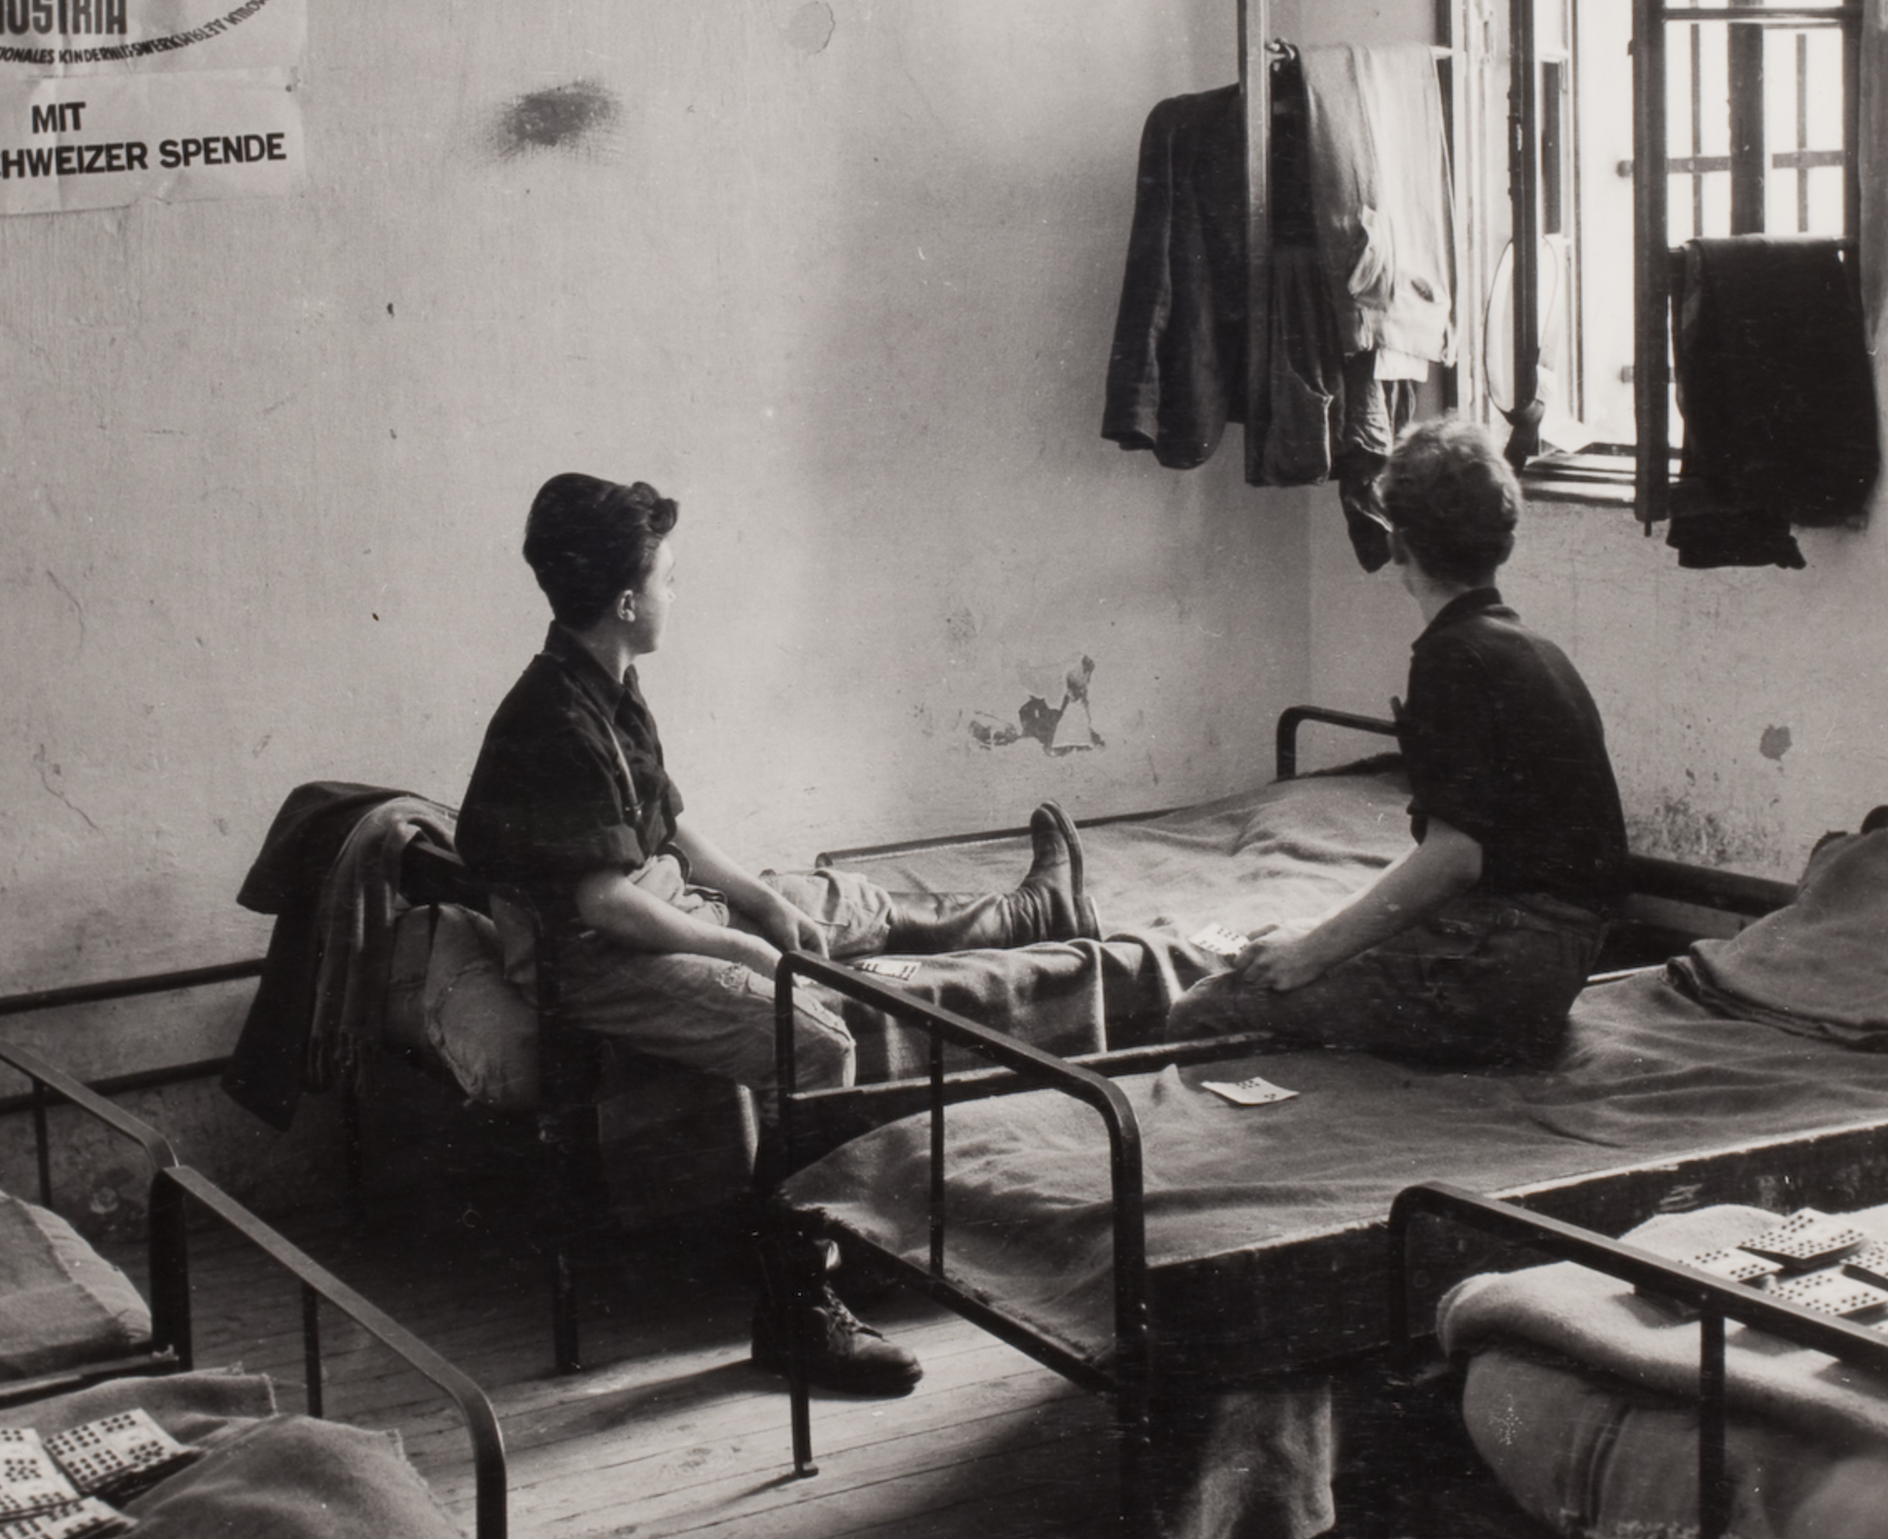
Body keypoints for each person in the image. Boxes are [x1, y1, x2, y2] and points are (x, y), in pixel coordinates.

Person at [456, 471, 1102, 1395]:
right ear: (628, 599)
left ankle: (1027, 918)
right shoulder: (553, 717)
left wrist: (761, 905)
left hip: (653, 904)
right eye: (669, 581)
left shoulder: (603, 679)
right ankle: (794, 1308)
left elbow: (666, 827)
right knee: (813, 1043)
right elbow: (600, 904)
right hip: (597, 959)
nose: (677, 597)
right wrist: (741, 949)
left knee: (826, 896)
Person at [1168, 416, 1626, 1069]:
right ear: (1503, 541)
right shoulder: (1535, 651)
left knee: (1204, 1010)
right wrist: (1330, 939)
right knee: (1314, 960)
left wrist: (1310, 953)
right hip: (1551, 961)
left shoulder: (1451, 658)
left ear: (1399, 545)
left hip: (1501, 969)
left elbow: (1452, 859)